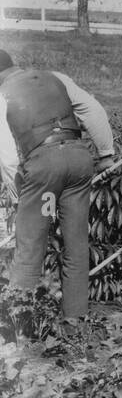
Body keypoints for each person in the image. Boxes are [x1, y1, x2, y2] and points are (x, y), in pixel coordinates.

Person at [0, 49, 115, 318]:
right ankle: (75, 323)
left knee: (29, 249)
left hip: (43, 166)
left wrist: (21, 197)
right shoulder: (56, 77)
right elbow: (93, 110)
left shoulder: (3, 94)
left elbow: (6, 158)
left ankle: (20, 328)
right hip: (79, 159)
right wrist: (107, 154)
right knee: (76, 246)